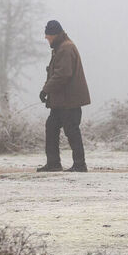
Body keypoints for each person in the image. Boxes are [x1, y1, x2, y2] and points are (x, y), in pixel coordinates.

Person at [37, 19, 91, 172]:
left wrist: (46, 90)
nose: (46, 39)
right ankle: (53, 163)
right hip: (61, 101)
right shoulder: (61, 47)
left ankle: (80, 165)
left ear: (54, 34)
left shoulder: (66, 49)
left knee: (72, 130)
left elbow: (62, 75)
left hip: (69, 101)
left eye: (48, 36)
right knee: (52, 127)